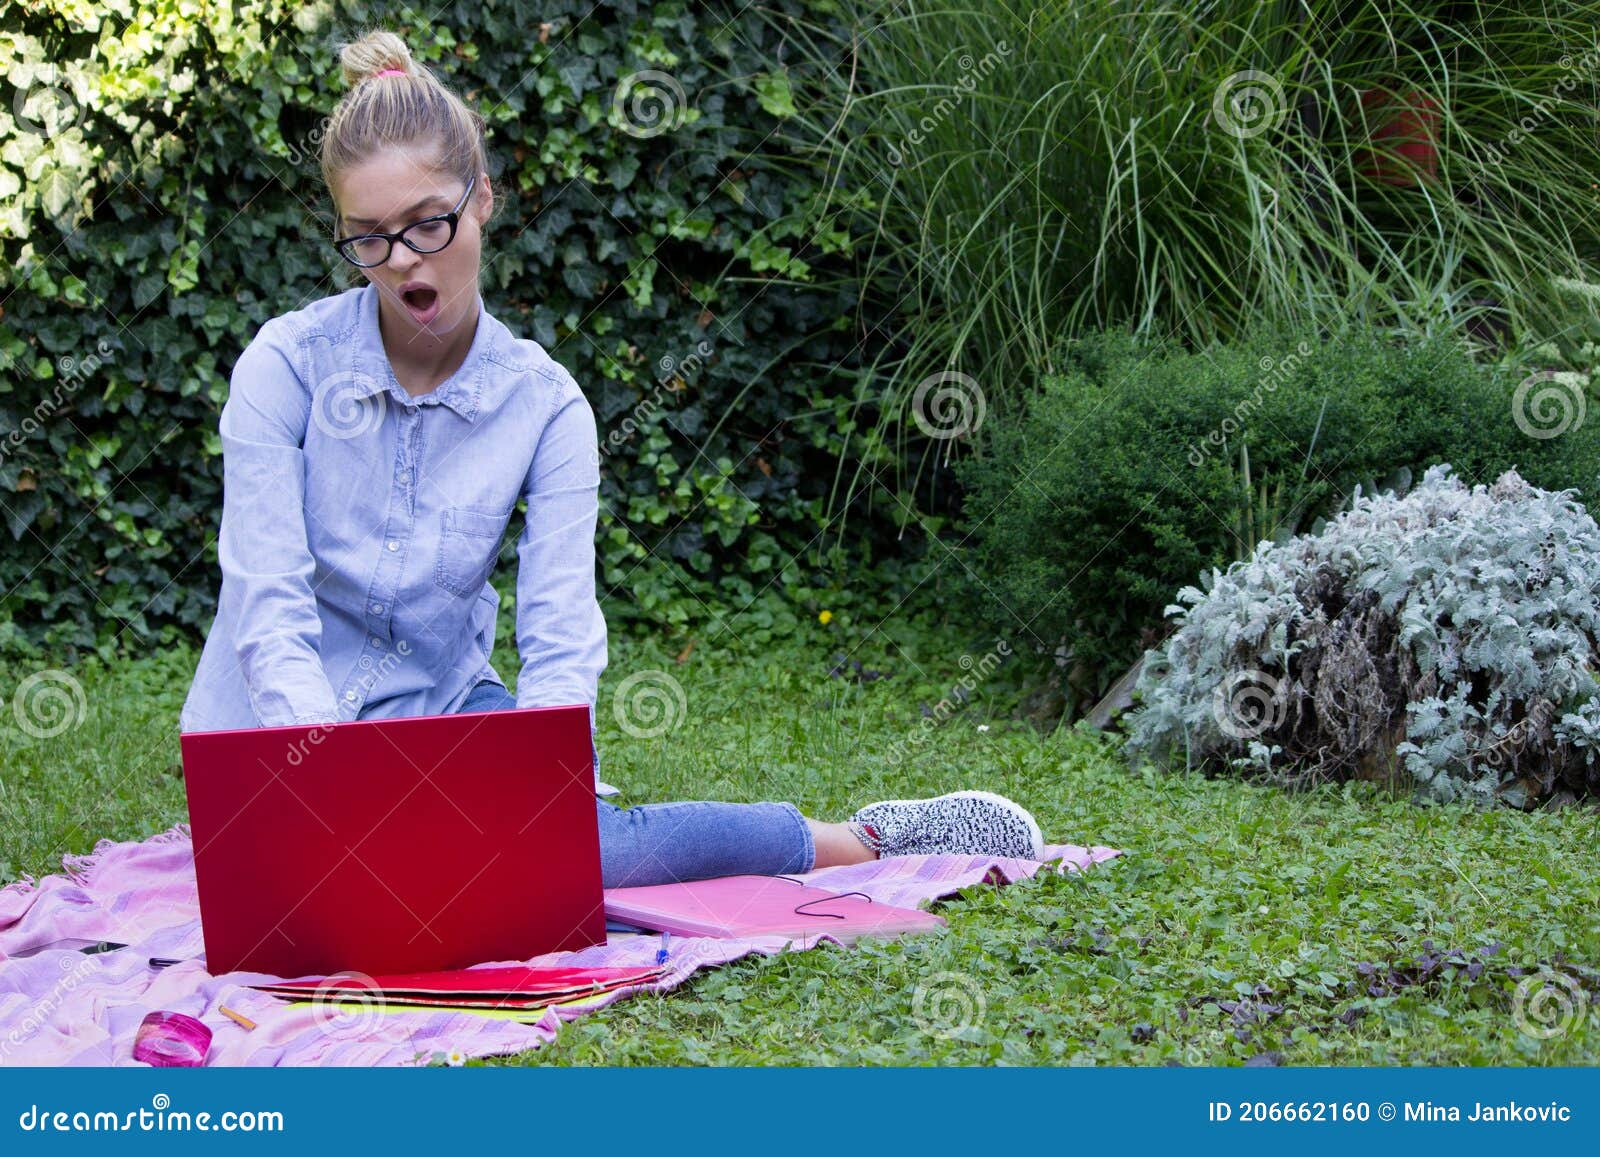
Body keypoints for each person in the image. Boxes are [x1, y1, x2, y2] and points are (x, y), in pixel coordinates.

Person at [178, 29, 1044, 887]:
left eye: (427, 223)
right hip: (279, 742)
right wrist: (334, 785)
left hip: (440, 714)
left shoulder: (545, 407)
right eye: (369, 237)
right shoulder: (285, 367)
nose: (402, 259)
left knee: (579, 855)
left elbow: (558, 641)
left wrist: (548, 804)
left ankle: (864, 840)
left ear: (482, 197)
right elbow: (268, 610)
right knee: (328, 889)